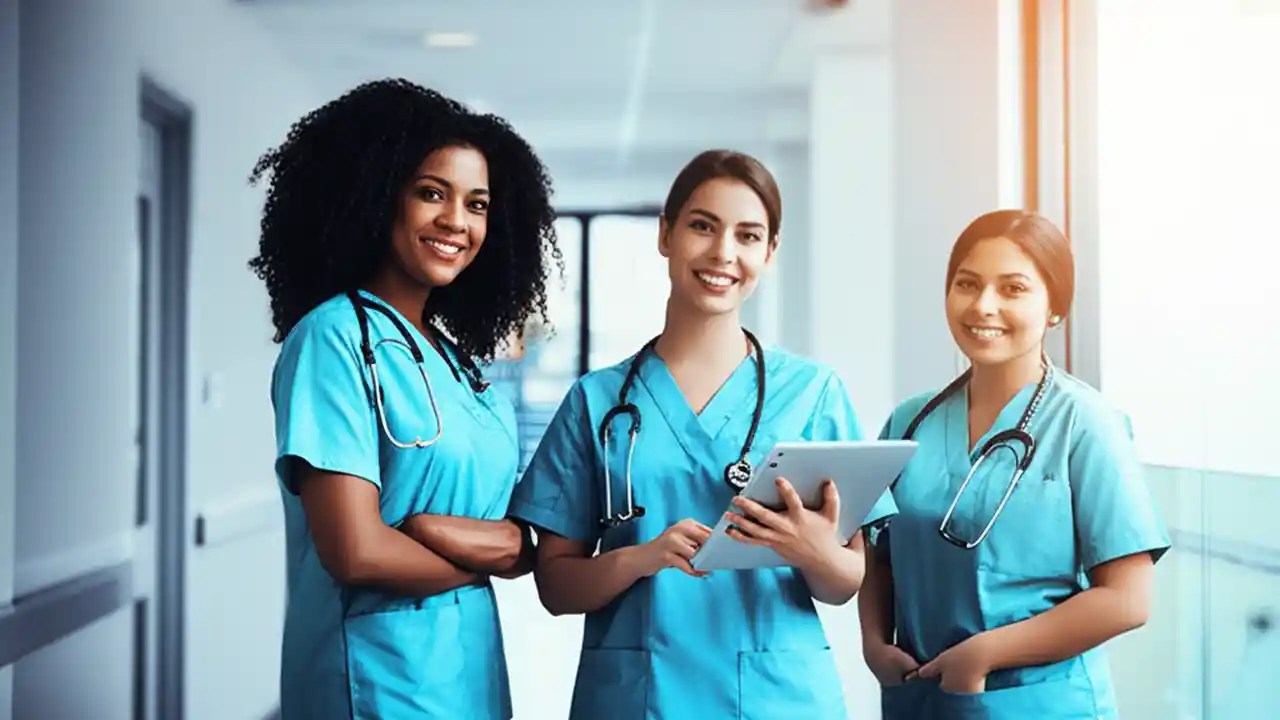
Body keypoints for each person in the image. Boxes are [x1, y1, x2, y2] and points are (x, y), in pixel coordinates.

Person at [507, 149, 895, 719]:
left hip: (776, 698)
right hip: (641, 695)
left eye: (747, 235)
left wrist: (811, 551)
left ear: (770, 251)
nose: (722, 253)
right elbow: (556, 587)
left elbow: (844, 582)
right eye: (702, 226)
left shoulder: (813, 394)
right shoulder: (597, 402)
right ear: (665, 234)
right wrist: (643, 558)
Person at [248, 78, 560, 720]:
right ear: (375, 197)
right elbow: (357, 551)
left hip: (468, 676)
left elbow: (518, 535)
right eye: (431, 193)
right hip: (376, 682)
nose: (456, 222)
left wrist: (450, 535)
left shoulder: (454, 360)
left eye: (477, 205)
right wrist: (493, 557)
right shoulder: (333, 339)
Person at [859, 209, 1171, 718]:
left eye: (1013, 289)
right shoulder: (910, 420)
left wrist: (984, 655)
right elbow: (877, 552)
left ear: (1055, 308)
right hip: (920, 696)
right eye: (967, 283)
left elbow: (1128, 599)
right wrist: (874, 645)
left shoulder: (1086, 423)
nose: (984, 305)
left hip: (1039, 699)